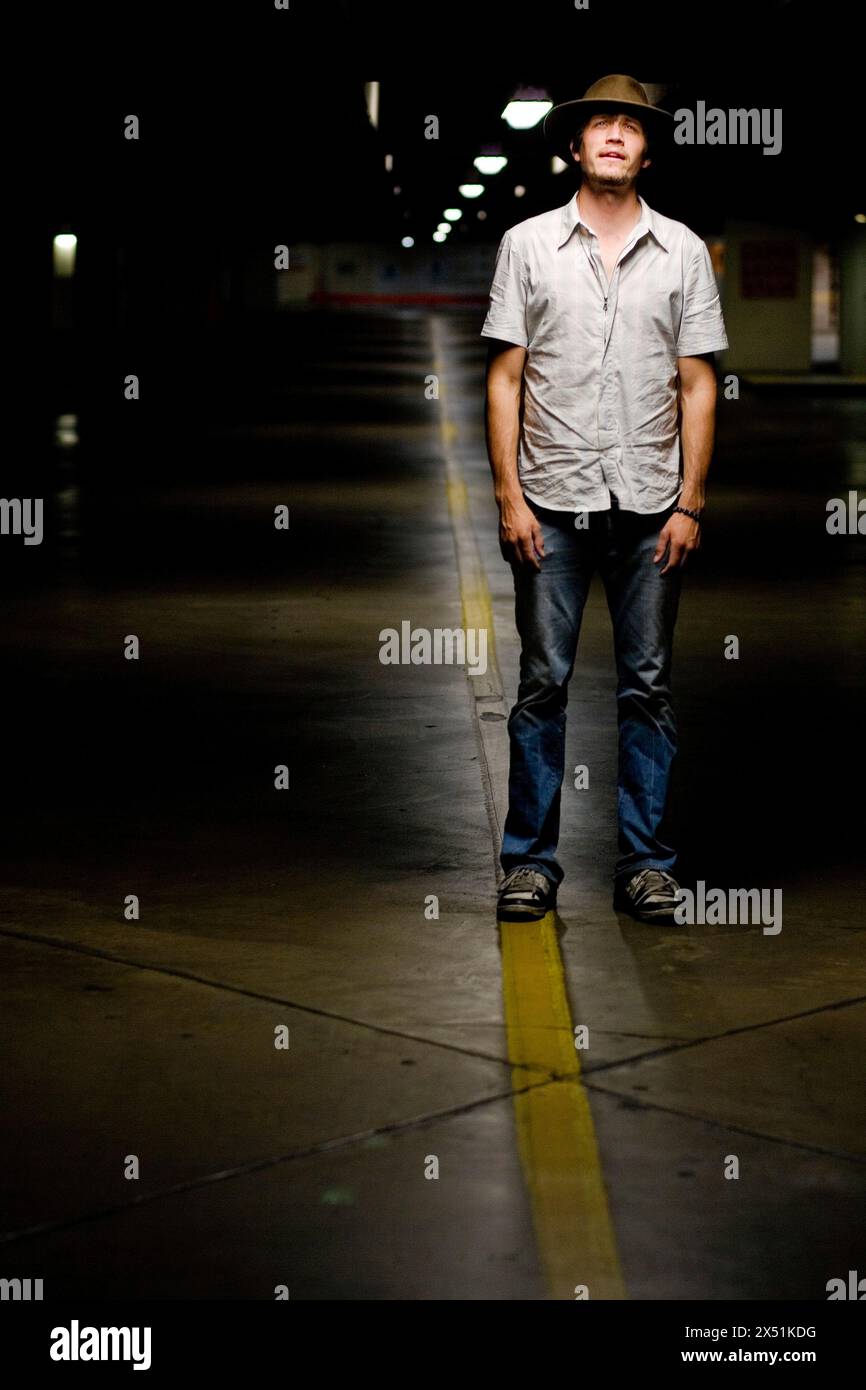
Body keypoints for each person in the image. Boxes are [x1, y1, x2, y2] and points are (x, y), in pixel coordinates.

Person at [481, 75, 729, 923]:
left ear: (647, 151)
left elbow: (698, 384)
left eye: (631, 125)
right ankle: (529, 863)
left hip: (653, 507)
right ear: (575, 146)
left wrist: (690, 503)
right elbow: (506, 377)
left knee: (647, 689)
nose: (616, 134)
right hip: (550, 503)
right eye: (601, 124)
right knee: (541, 685)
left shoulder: (684, 251)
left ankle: (645, 866)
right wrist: (509, 497)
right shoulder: (527, 244)